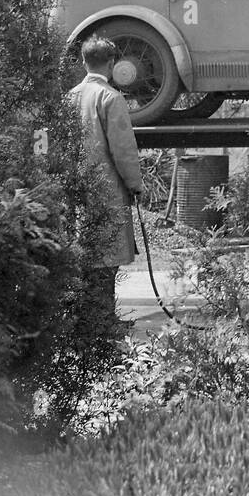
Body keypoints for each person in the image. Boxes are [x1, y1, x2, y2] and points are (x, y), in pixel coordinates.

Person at [67, 35, 143, 322]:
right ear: (111, 64)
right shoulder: (111, 98)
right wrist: (136, 185)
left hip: (77, 189)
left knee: (84, 255)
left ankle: (85, 322)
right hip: (107, 190)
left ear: (84, 62)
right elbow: (123, 149)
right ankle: (102, 323)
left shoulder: (70, 97)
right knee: (106, 259)